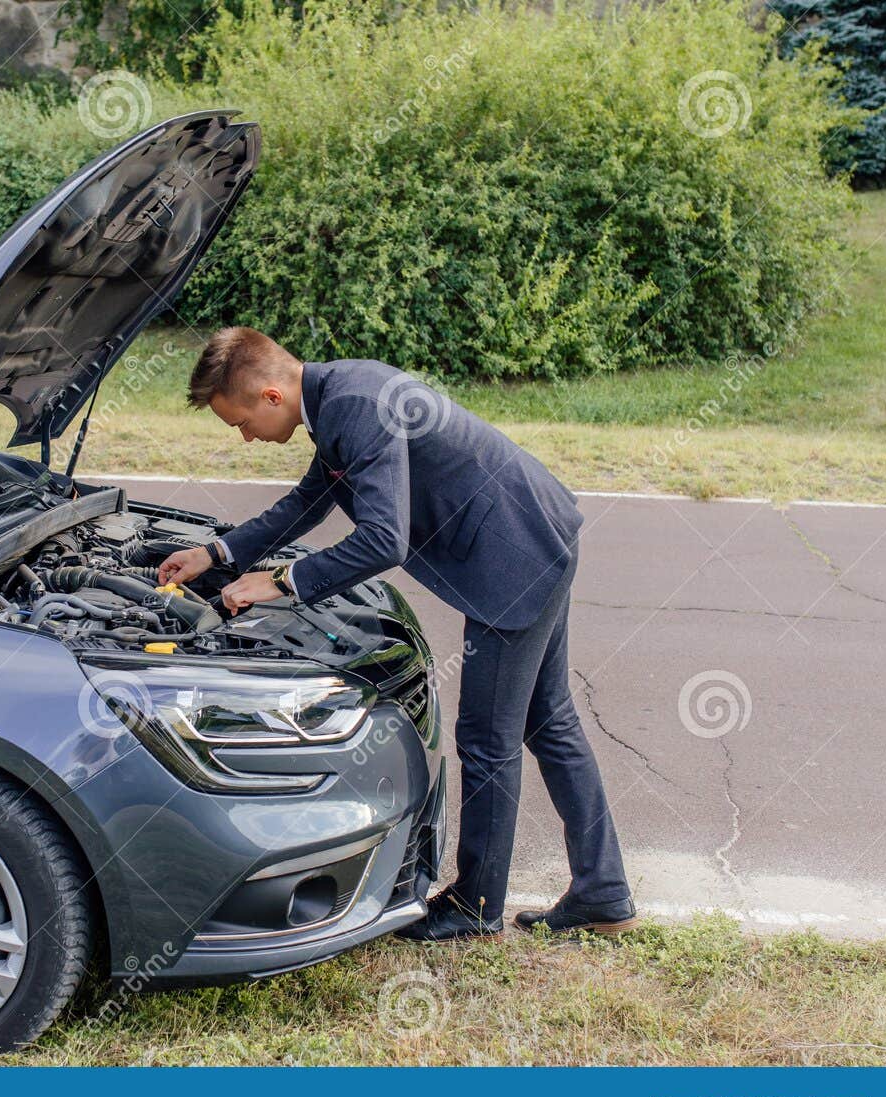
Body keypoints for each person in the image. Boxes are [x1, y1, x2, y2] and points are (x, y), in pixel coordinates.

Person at [157, 327, 638, 940]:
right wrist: (216, 552)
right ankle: (603, 892)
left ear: (271, 396)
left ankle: (476, 905)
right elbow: (310, 501)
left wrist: (281, 582)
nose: (246, 437)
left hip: (516, 556)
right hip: (536, 533)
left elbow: (386, 538)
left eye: (240, 423)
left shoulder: (354, 407)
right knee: (549, 721)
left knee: (488, 739)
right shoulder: (338, 397)